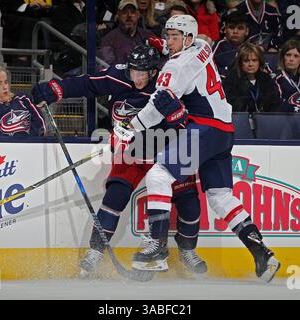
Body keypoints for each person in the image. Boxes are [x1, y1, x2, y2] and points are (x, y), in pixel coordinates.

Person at [125, 14, 280, 282]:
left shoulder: (176, 67)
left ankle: (157, 250)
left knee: (158, 175)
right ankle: (263, 255)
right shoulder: (203, 47)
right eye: (168, 35)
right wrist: (162, 43)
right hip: (225, 132)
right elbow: (193, 42)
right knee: (220, 196)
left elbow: (156, 107)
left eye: (174, 37)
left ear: (186, 38)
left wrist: (131, 126)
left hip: (205, 129)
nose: (169, 41)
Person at [31, 45, 207, 277]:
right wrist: (56, 89)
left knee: (189, 203)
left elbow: (186, 118)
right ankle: (94, 253)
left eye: (142, 73)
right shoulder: (118, 76)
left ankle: (187, 250)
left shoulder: (168, 84)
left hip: (166, 147)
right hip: (131, 151)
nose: (136, 77)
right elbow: (87, 83)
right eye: (133, 71)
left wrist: (177, 118)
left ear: (154, 72)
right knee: (114, 197)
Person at [223, 43, 281, 112]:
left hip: (263, 120)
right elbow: (231, 106)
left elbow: (275, 104)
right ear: (240, 63)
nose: (250, 64)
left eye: (254, 60)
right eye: (246, 61)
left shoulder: (267, 80)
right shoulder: (231, 80)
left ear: (259, 62)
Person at [0, 65, 46, 136]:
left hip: (32, 144)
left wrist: (29, 140)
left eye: (6, 82)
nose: (5, 87)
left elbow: (39, 122)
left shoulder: (23, 99)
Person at [97, 0, 155, 65]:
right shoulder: (109, 39)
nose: (129, 15)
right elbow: (108, 65)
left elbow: (160, 60)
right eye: (124, 12)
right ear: (118, 15)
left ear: (138, 15)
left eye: (132, 12)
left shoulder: (149, 36)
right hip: (120, 74)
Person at [212, 10, 249, 78]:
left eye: (240, 28)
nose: (235, 31)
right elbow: (209, 68)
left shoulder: (250, 48)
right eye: (231, 27)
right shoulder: (218, 45)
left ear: (247, 31)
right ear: (225, 29)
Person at [275, 39, 300, 112]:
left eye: (296, 56)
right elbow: (277, 105)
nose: (291, 59)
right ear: (283, 57)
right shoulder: (276, 79)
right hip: (285, 120)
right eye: (288, 55)